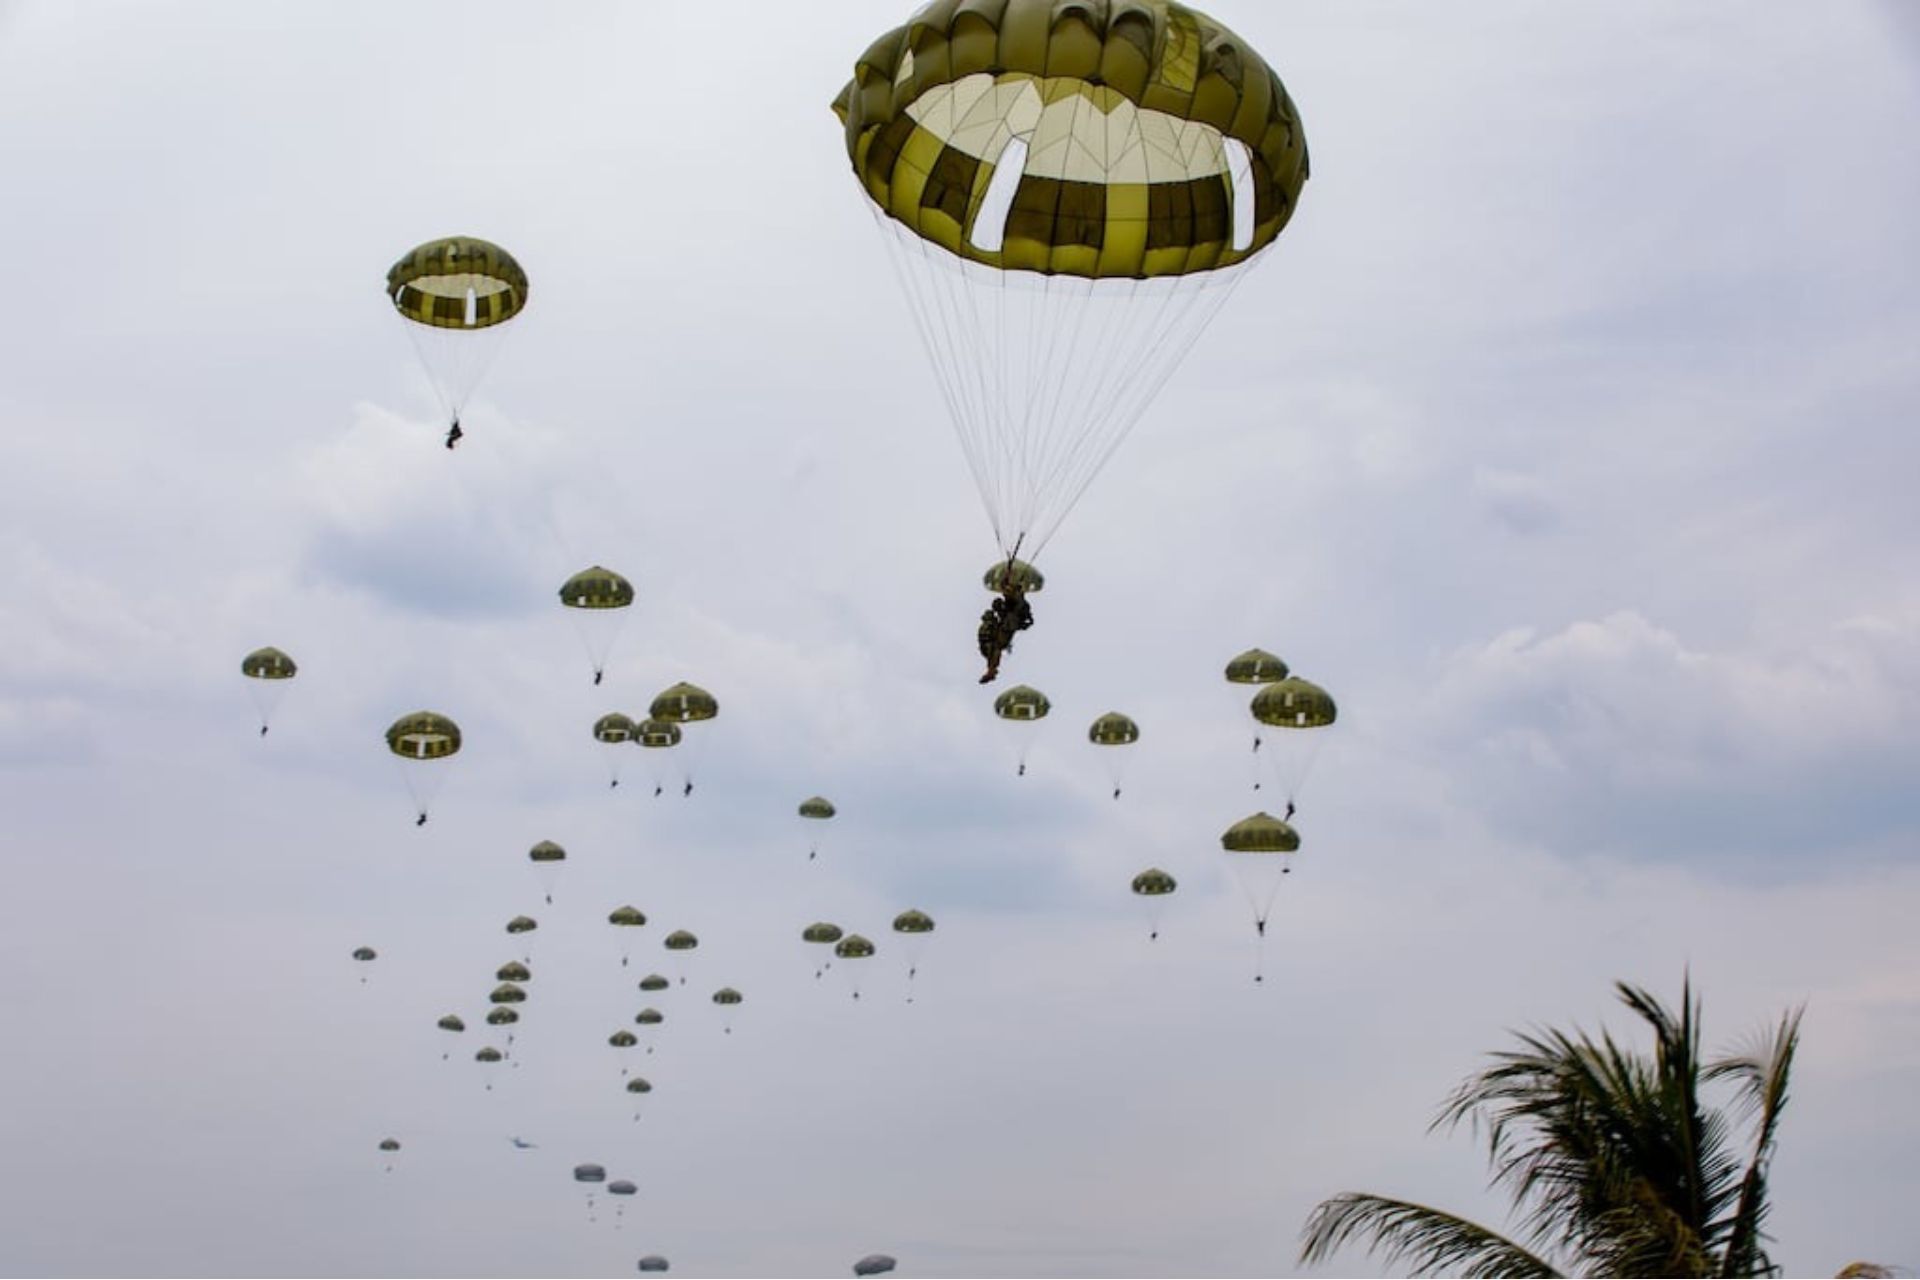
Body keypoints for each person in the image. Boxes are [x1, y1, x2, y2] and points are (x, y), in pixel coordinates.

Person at [976, 579, 1035, 683]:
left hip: (1009, 623)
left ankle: (1011, 586)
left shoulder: (1002, 616)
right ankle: (1012, 586)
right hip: (1008, 625)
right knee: (1014, 611)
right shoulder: (995, 639)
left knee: (1013, 610)